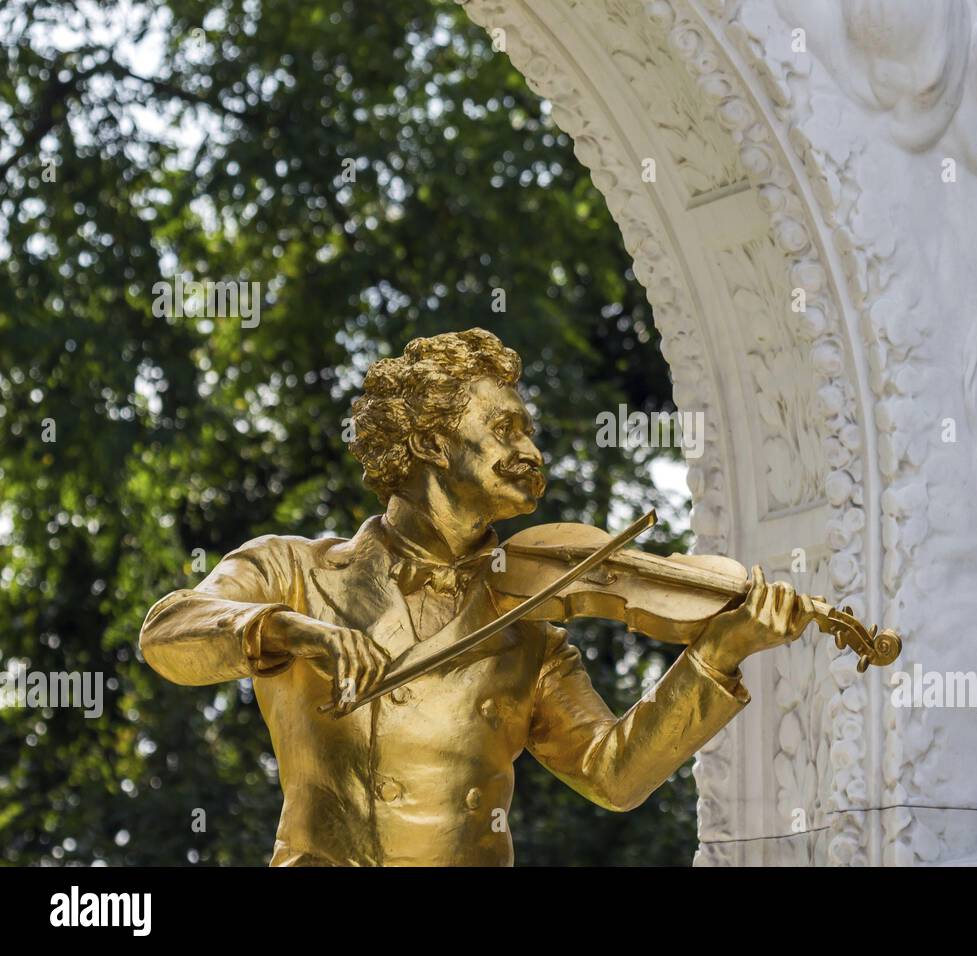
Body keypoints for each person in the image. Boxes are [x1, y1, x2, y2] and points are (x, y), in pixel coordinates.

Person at [139, 328, 813, 864]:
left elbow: (614, 774)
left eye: (528, 430)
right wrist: (296, 632)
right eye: (506, 428)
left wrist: (718, 653)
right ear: (433, 441)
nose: (531, 450)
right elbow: (169, 634)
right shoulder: (296, 571)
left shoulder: (528, 631)